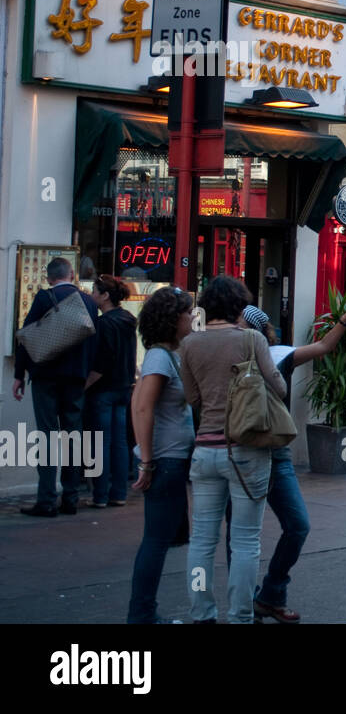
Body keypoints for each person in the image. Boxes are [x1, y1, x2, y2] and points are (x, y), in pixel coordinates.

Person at [241, 301, 346, 623]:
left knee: (297, 526)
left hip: (277, 452)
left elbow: (323, 346)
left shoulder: (279, 354)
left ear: (256, 331)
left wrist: (343, 321)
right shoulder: (230, 354)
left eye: (243, 325)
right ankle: (245, 602)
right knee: (239, 535)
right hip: (241, 452)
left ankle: (270, 594)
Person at [180, 276, 285, 624]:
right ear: (239, 306)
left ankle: (201, 613)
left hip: (204, 450)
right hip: (246, 450)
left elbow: (191, 398)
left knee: (202, 541)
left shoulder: (190, 344)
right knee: (245, 542)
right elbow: (279, 388)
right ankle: (240, 616)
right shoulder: (251, 338)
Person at [127, 286, 195, 624]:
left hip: (171, 458)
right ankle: (141, 614)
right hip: (165, 460)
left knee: (163, 537)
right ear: (172, 320)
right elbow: (142, 407)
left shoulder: (171, 354)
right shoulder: (159, 357)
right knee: (155, 540)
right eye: (186, 313)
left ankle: (143, 612)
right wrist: (147, 461)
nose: (191, 318)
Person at [13, 257, 99, 517]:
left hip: (46, 376)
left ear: (49, 277)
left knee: (47, 436)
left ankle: (47, 499)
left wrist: (19, 374)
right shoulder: (88, 302)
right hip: (76, 379)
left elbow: (27, 338)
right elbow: (96, 343)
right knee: (73, 436)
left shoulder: (43, 298)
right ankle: (71, 498)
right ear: (72, 274)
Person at [84, 275, 138, 508]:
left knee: (102, 443)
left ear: (105, 296)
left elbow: (101, 362)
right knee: (120, 442)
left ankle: (101, 495)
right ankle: (119, 493)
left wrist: (84, 385)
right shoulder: (128, 320)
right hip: (124, 387)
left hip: (104, 390)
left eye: (95, 291)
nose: (92, 295)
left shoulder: (104, 323)